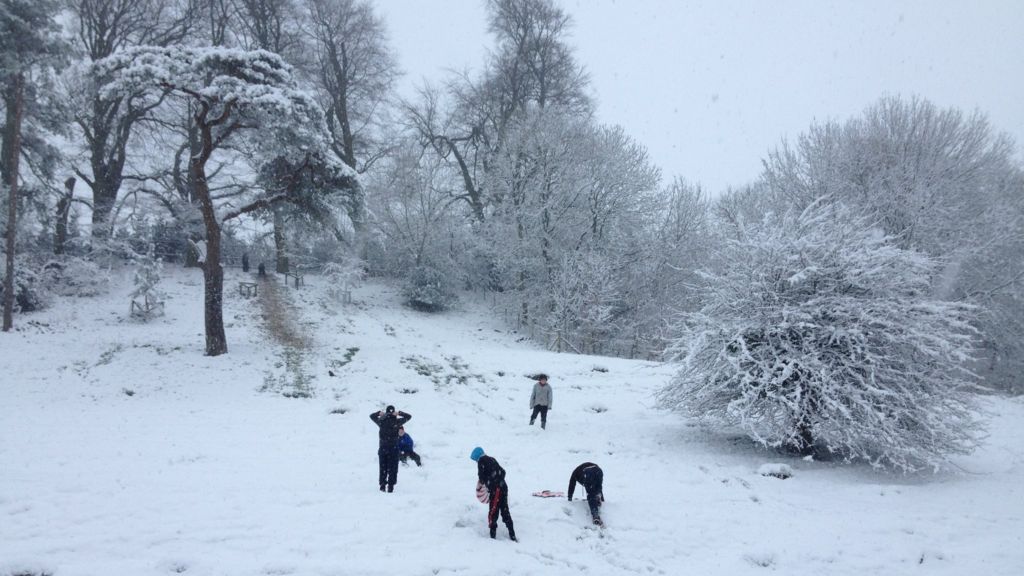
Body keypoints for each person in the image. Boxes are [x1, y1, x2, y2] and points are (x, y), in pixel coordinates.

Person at [470, 447, 517, 541]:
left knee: (493, 512)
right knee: (505, 511)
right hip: (503, 487)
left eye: (475, 460)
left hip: (496, 490)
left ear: (476, 457)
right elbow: (503, 471)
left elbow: (481, 477)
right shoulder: (492, 459)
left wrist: (489, 483)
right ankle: (512, 535)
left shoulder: (481, 461)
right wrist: (498, 480)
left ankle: (492, 537)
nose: (476, 462)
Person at [370, 405, 411, 492]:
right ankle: (391, 486)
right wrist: (400, 413)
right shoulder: (397, 422)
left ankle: (382, 485)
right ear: (394, 412)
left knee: (383, 468)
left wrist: (379, 413)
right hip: (393, 449)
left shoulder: (381, 421)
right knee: (393, 468)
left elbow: (372, 416)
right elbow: (409, 416)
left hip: (383, 449)